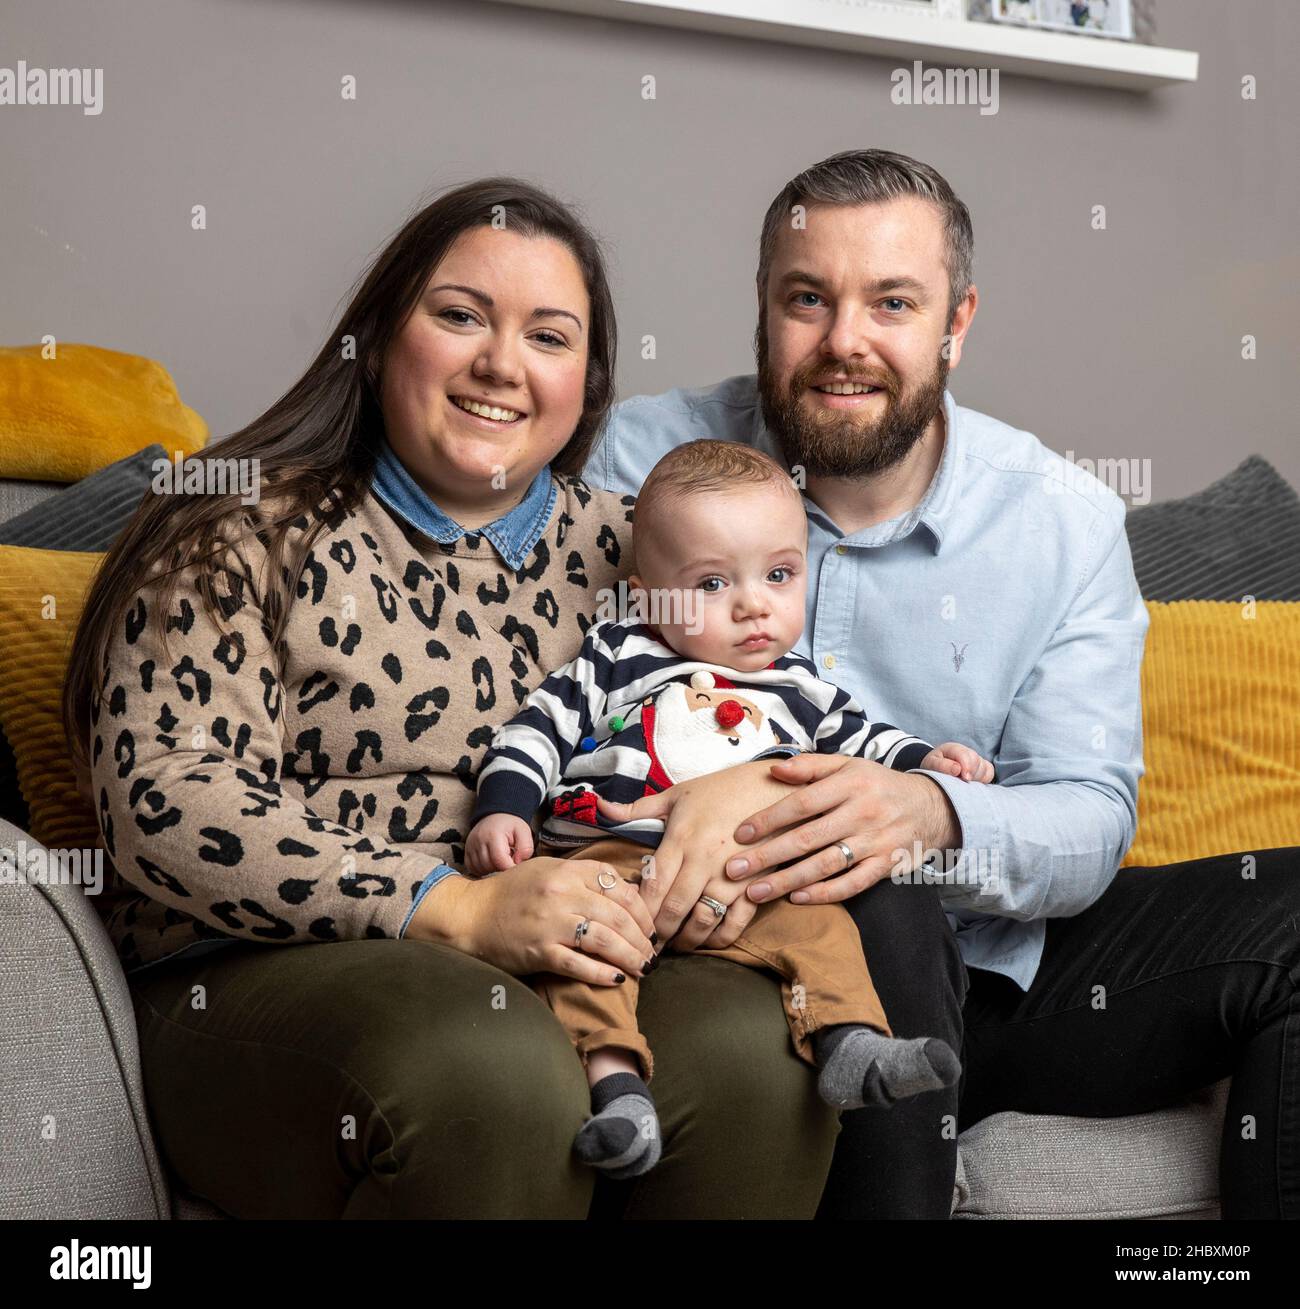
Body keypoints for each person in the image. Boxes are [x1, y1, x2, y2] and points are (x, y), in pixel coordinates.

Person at [60, 177, 843, 1219]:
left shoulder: (643, 544)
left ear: (587, 381)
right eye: (460, 314)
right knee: (488, 1062)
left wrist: (743, 789)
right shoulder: (238, 525)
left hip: (586, 946)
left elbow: (782, 696)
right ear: (380, 339)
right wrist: (455, 905)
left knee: (756, 1053)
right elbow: (164, 795)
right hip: (270, 965)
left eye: (549, 336)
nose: (501, 365)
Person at [582, 147, 1300, 1220]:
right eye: (807, 300)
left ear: (955, 324)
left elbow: (1087, 813)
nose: (844, 343)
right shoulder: (627, 465)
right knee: (881, 879)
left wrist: (933, 810)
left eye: (892, 303)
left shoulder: (1060, 522)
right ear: (762, 310)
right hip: (716, 958)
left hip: (996, 990)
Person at [467, 439, 996, 1175]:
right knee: (583, 955)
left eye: (780, 574)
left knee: (825, 928)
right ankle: (617, 1091)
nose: (755, 604)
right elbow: (537, 729)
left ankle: (847, 1043)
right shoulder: (618, 653)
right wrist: (506, 809)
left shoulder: (800, 683)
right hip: (613, 858)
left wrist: (927, 761)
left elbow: (864, 740)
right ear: (650, 594)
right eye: (713, 583)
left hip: (748, 874)